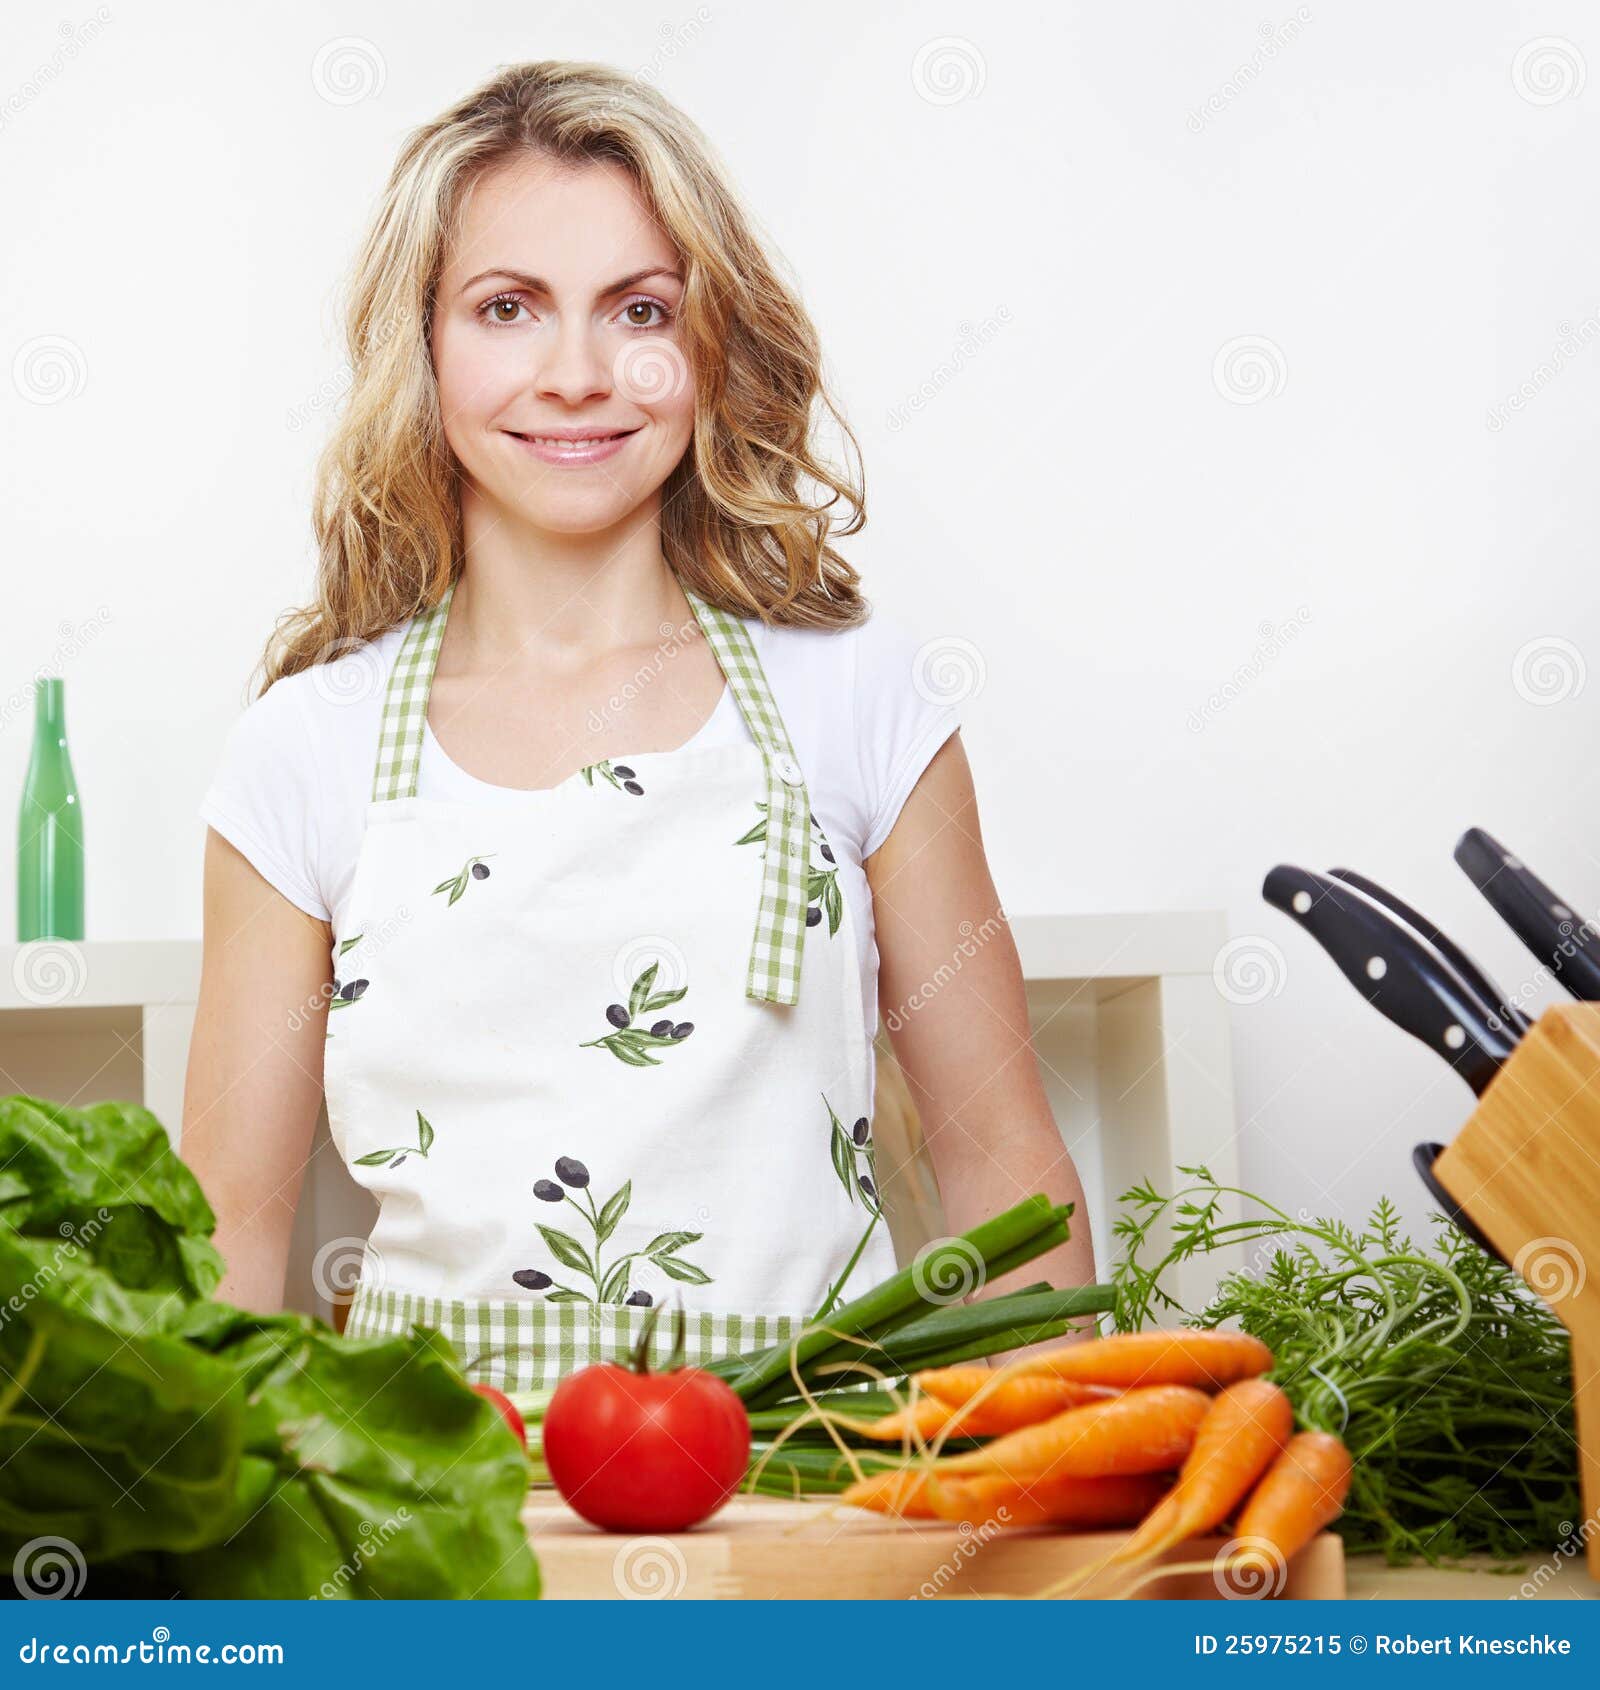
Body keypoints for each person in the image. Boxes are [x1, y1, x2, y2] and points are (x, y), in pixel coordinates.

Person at [185, 60, 1092, 1391]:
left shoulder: (860, 699)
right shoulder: (300, 754)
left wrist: (1063, 1529)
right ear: (423, 346)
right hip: (440, 1509)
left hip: (814, 1490)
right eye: (508, 309)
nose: (577, 374)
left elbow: (1002, 1157)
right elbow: (227, 1241)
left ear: (710, 342)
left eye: (639, 310)